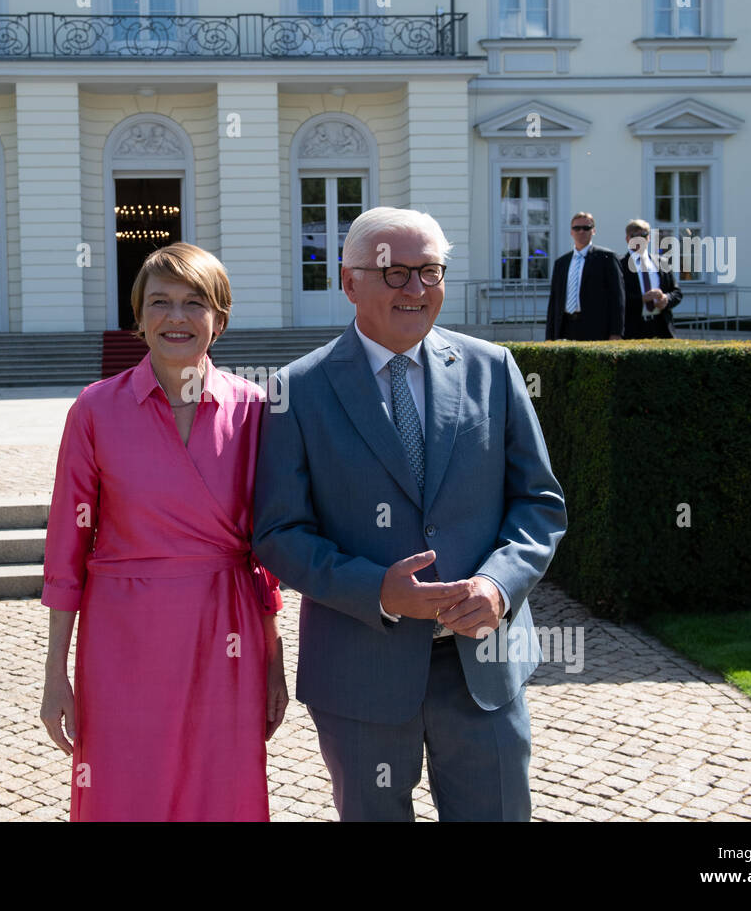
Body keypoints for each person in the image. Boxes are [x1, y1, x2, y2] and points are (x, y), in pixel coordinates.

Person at [252, 206, 566, 821]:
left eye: (431, 271)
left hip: (482, 665)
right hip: (361, 668)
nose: (416, 289)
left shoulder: (493, 370)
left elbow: (538, 503)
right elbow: (279, 533)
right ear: (349, 282)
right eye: (394, 273)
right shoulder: (296, 390)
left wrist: (499, 587)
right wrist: (381, 592)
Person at [40, 242, 289, 821]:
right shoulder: (95, 410)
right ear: (139, 317)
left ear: (219, 319)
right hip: (122, 639)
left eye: (194, 302)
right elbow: (64, 552)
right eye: (160, 302)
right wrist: (56, 673)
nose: (176, 317)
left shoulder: (255, 408)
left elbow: (266, 554)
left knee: (221, 789)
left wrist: (273, 662)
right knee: (125, 789)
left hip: (226, 632)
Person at [544, 211, 625, 341]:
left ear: (593, 231)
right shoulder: (561, 263)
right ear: (571, 232)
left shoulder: (607, 258)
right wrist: (549, 336)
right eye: (577, 228)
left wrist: (616, 332)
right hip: (566, 327)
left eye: (586, 228)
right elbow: (554, 301)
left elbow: (617, 298)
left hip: (597, 328)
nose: (581, 231)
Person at [620, 219, 682, 339]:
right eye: (634, 236)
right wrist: (641, 299)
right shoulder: (620, 265)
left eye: (643, 235)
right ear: (627, 239)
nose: (639, 239)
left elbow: (677, 292)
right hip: (633, 328)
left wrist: (666, 299)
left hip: (661, 326)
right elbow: (616, 298)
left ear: (649, 238)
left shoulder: (661, 262)